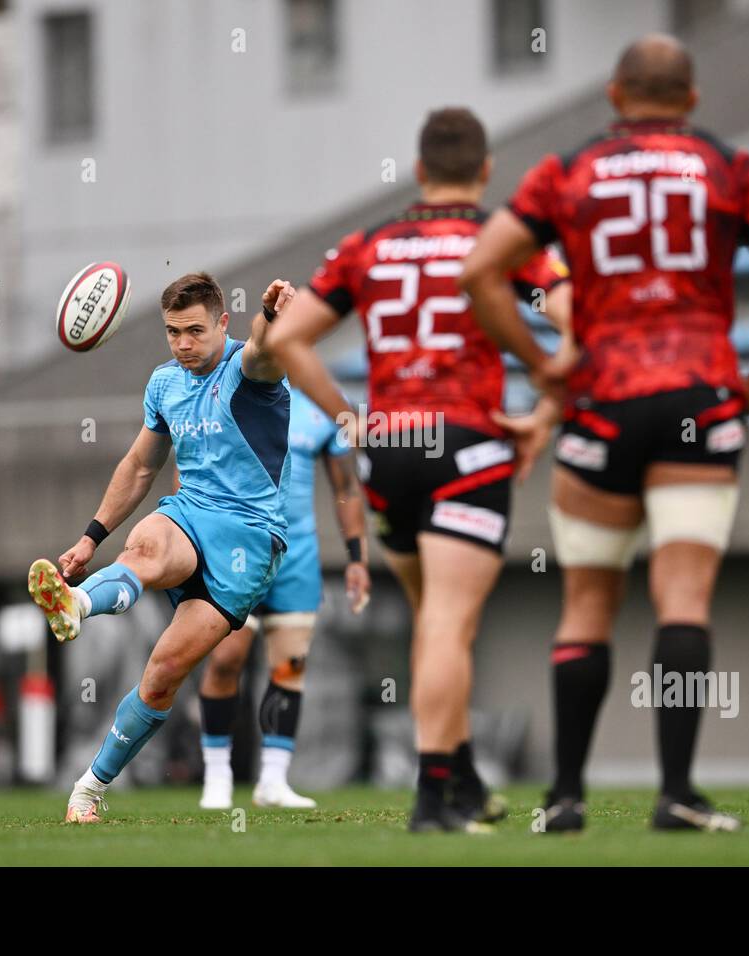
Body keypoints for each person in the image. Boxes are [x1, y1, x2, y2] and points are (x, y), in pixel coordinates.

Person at [460, 33, 749, 832]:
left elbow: (483, 270)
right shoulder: (732, 167)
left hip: (602, 401)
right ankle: (677, 794)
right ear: (692, 100)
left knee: (587, 604)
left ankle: (564, 799)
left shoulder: (569, 170)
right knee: (684, 599)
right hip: (699, 396)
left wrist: (541, 364)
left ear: (615, 97)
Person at [268, 107, 571, 832]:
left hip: (390, 449)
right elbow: (577, 320)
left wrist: (347, 417)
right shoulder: (500, 242)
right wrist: (544, 414)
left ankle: (460, 778)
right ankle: (432, 800)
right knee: (446, 624)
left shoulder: (369, 244)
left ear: (419, 171)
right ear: (487, 170)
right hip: (467, 443)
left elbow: (286, 337)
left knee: (436, 624)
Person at [27, 272, 296, 823]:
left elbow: (267, 348)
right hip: (189, 514)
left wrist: (270, 316)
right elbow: (141, 466)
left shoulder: (250, 371)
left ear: (223, 323)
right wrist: (88, 538)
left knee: (162, 675)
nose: (183, 344)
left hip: (248, 541)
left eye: (195, 330)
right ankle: (76, 604)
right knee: (145, 546)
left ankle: (88, 787)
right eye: (173, 332)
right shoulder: (165, 383)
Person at [197, 384, 370, 810]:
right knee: (225, 659)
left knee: (289, 666)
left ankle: (272, 780)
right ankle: (217, 776)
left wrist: (357, 558)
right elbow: (193, 467)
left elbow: (345, 486)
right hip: (239, 551)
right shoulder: (231, 385)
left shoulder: (326, 402)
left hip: (297, 556)